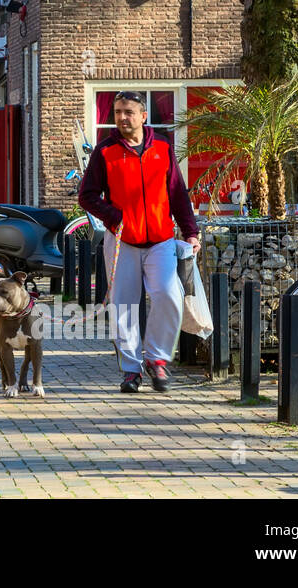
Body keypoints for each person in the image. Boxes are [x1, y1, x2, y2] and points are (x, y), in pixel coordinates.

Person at [78, 91, 200, 393]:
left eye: (128, 112)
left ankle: (157, 360)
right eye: (117, 112)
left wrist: (190, 231)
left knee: (169, 295)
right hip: (123, 241)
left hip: (160, 240)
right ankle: (131, 370)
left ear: (143, 116)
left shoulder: (162, 147)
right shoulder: (105, 151)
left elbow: (177, 193)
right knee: (125, 307)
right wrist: (113, 216)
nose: (121, 117)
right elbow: (87, 195)